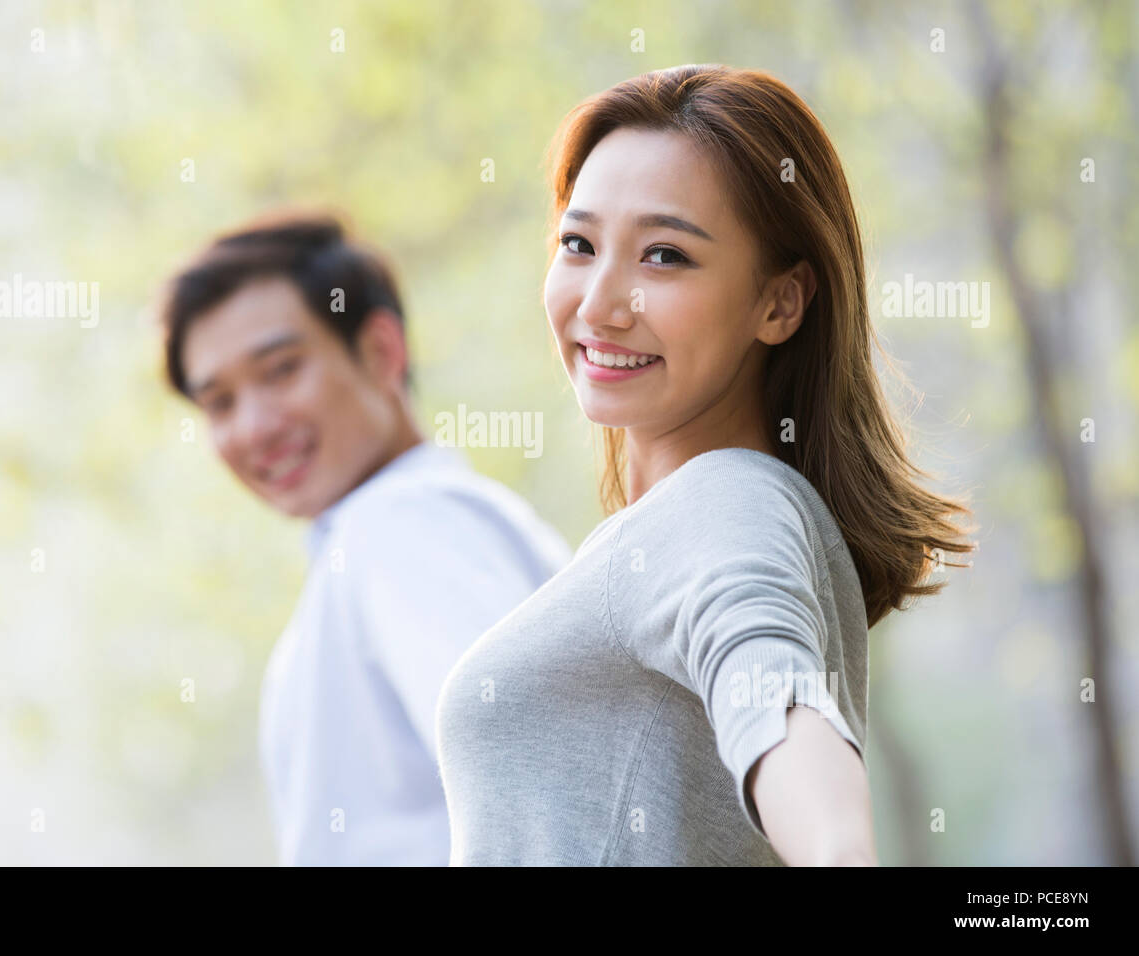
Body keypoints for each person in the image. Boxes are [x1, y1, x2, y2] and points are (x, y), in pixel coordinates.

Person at [435, 64, 976, 866]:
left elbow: (775, 696)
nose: (600, 303)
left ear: (780, 302)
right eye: (578, 244)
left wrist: (838, 850)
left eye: (663, 256)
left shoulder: (727, 504)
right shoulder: (672, 529)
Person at [157, 209, 572, 865]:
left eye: (282, 369)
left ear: (381, 351)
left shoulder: (398, 526)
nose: (254, 427)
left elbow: (538, 794)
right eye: (220, 404)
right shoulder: (433, 525)